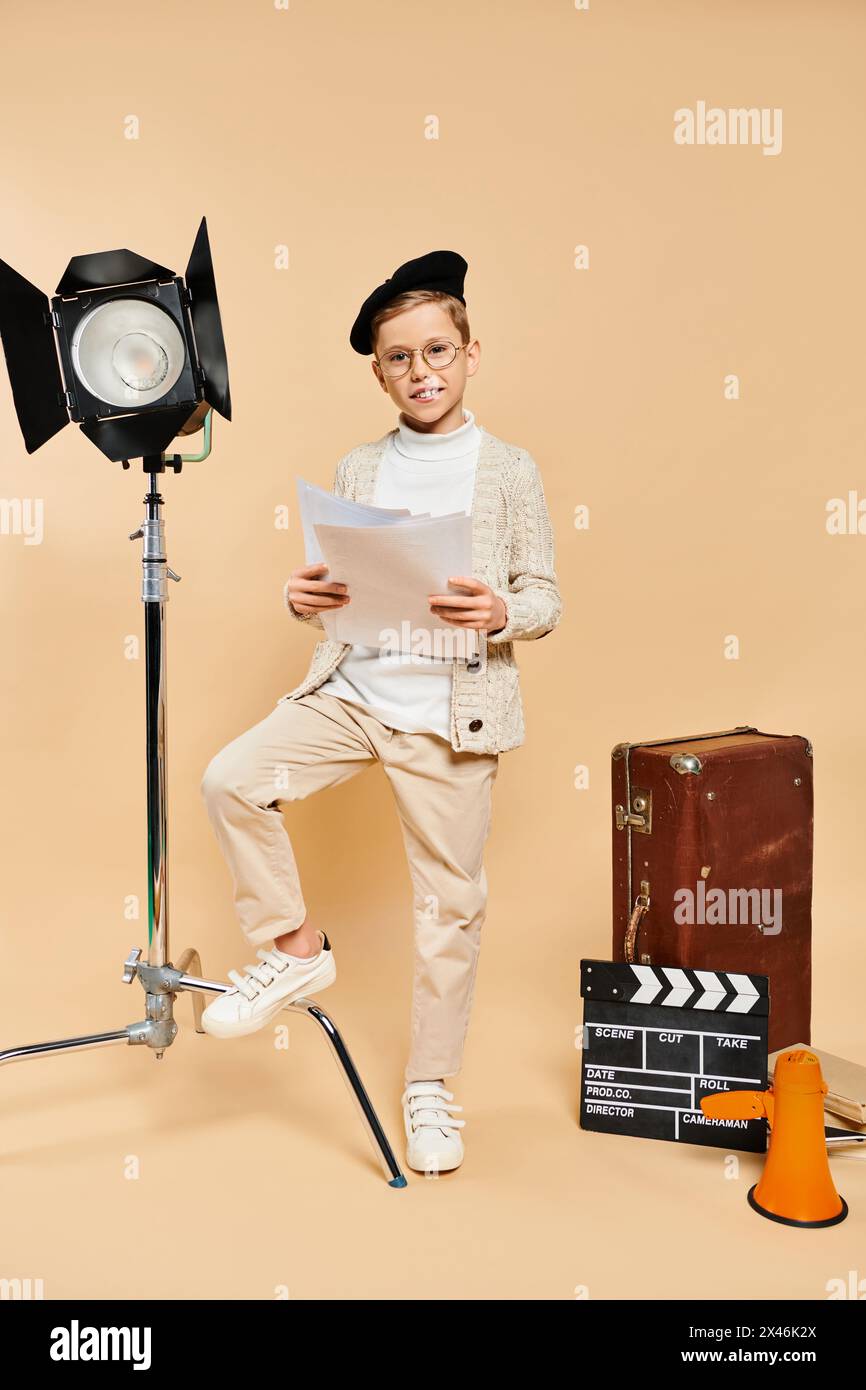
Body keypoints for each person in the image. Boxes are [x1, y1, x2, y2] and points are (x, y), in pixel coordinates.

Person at [199, 250, 562, 1173]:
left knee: (450, 908)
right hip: (354, 694)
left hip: (452, 714)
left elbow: (545, 595)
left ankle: (432, 1087)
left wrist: (504, 613)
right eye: (400, 359)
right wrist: (303, 597)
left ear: (473, 352)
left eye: (438, 349)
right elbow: (337, 580)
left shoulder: (510, 468)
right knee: (233, 779)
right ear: (378, 372)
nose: (422, 371)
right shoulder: (360, 465)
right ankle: (294, 948)